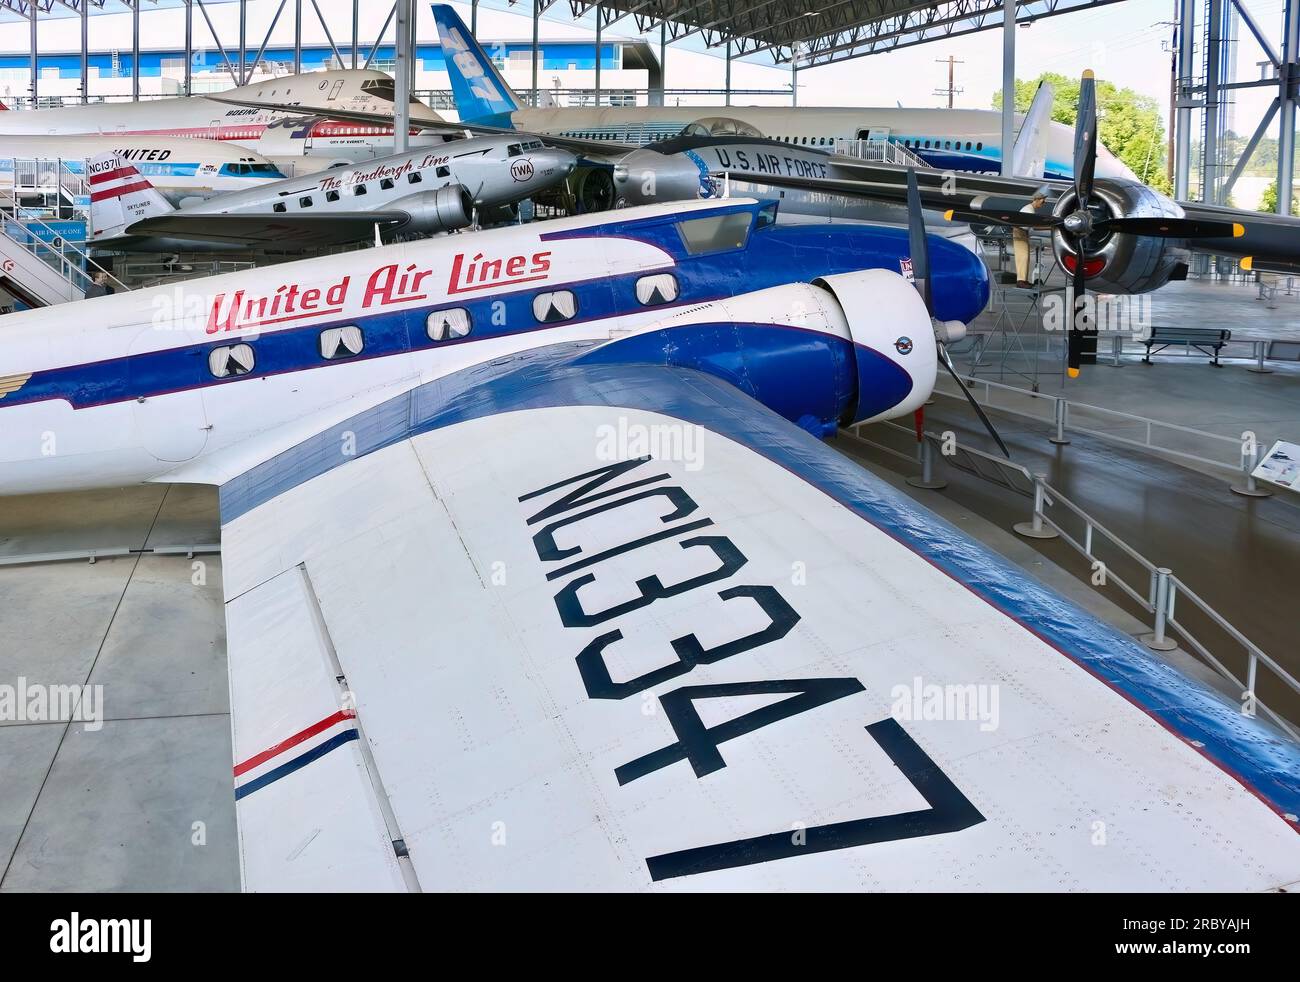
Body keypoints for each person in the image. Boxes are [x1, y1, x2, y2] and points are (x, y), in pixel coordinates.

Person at [1013, 187, 1050, 288]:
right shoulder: (1029, 210)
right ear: (1037, 200)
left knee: (1026, 257)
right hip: (1019, 232)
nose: (1043, 203)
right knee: (1023, 257)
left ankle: (1023, 280)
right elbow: (1035, 227)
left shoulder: (1030, 208)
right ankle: (1020, 281)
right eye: (1042, 201)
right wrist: (1050, 227)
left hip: (1022, 232)